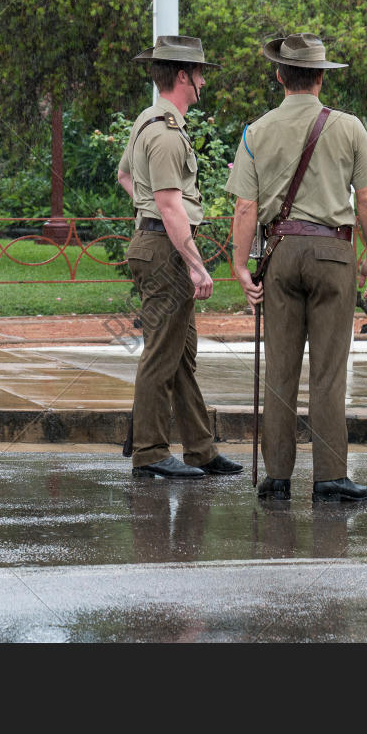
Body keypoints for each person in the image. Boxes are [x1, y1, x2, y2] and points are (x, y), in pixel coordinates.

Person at [228, 34, 367, 501]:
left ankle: (276, 477)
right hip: (334, 253)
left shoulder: (256, 131)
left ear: (280, 75)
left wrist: (239, 264)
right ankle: (330, 476)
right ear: (321, 76)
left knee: (279, 367)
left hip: (279, 252)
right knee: (329, 370)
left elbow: (245, 207)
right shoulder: (349, 127)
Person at [116, 35, 242, 479]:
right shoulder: (167, 134)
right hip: (166, 250)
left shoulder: (147, 121)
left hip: (157, 243)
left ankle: (200, 449)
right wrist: (195, 263)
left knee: (181, 356)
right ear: (184, 76)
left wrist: (148, 208)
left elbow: (126, 176)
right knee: (160, 355)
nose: (204, 81)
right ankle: (150, 453)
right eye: (201, 73)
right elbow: (170, 206)